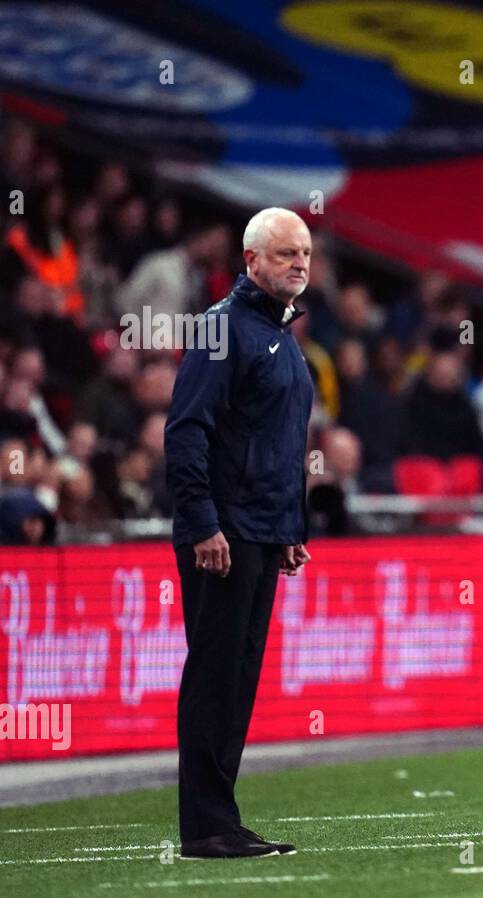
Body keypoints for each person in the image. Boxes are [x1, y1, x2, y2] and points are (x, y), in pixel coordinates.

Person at [163, 207, 315, 859]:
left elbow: (279, 442)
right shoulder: (223, 329)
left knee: (237, 680)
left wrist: (289, 526)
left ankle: (220, 818)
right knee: (216, 676)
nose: (300, 264)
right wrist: (203, 523)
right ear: (251, 261)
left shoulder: (280, 335)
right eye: (285, 254)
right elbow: (186, 430)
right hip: (223, 534)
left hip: (260, 530)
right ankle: (205, 826)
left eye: (304, 253)